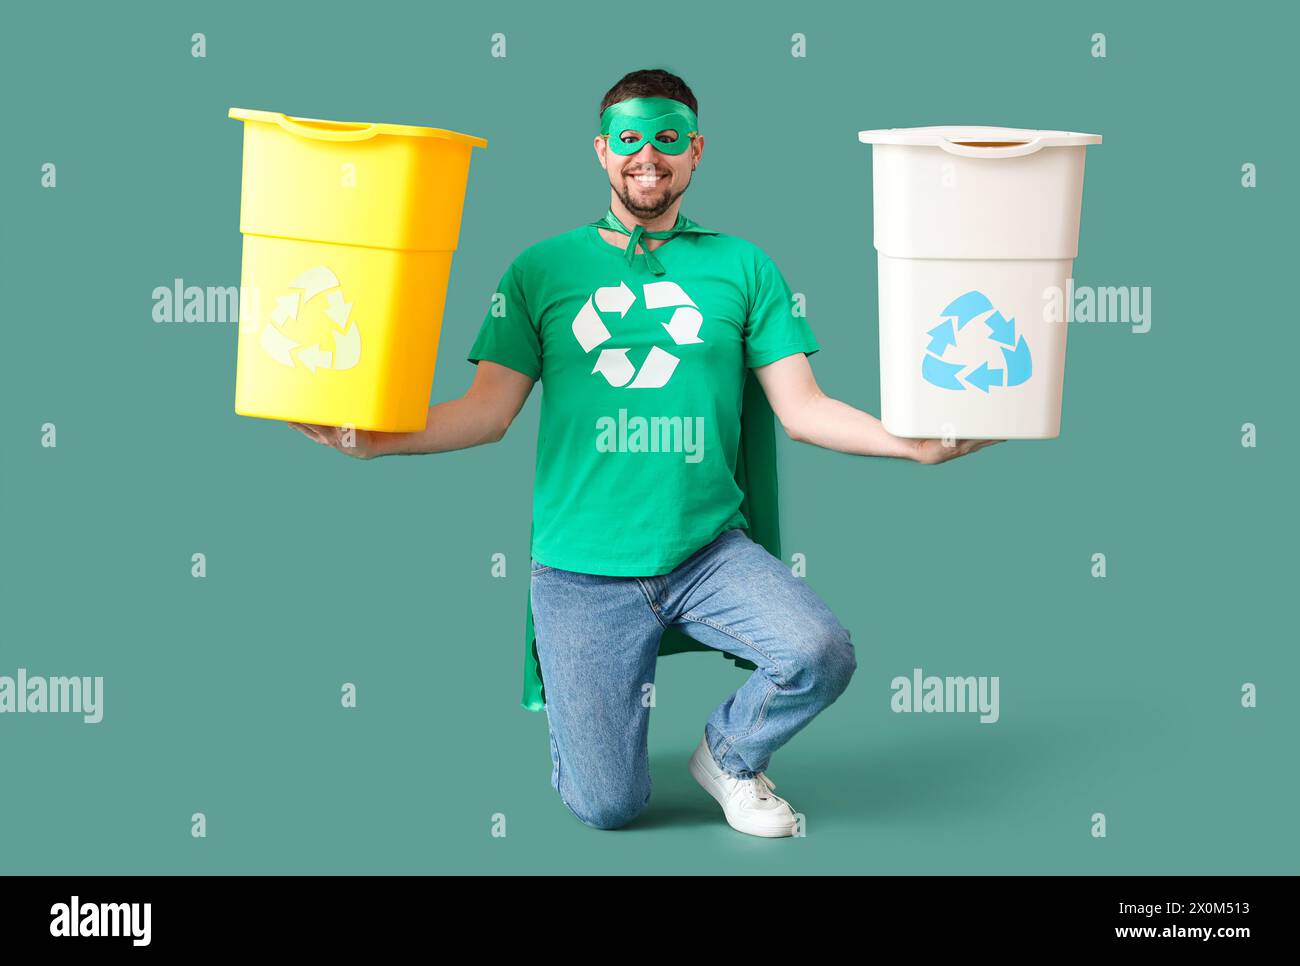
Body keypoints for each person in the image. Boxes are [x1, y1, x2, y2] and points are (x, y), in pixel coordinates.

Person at [289, 68, 999, 837]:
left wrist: (913, 445)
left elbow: (804, 410)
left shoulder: (744, 267)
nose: (648, 157)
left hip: (707, 553)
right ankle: (585, 714)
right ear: (601, 151)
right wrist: (374, 442)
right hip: (580, 571)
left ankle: (729, 755)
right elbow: (486, 413)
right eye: (629, 139)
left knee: (819, 651)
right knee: (608, 807)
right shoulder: (541, 269)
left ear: (696, 152)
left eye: (668, 139)